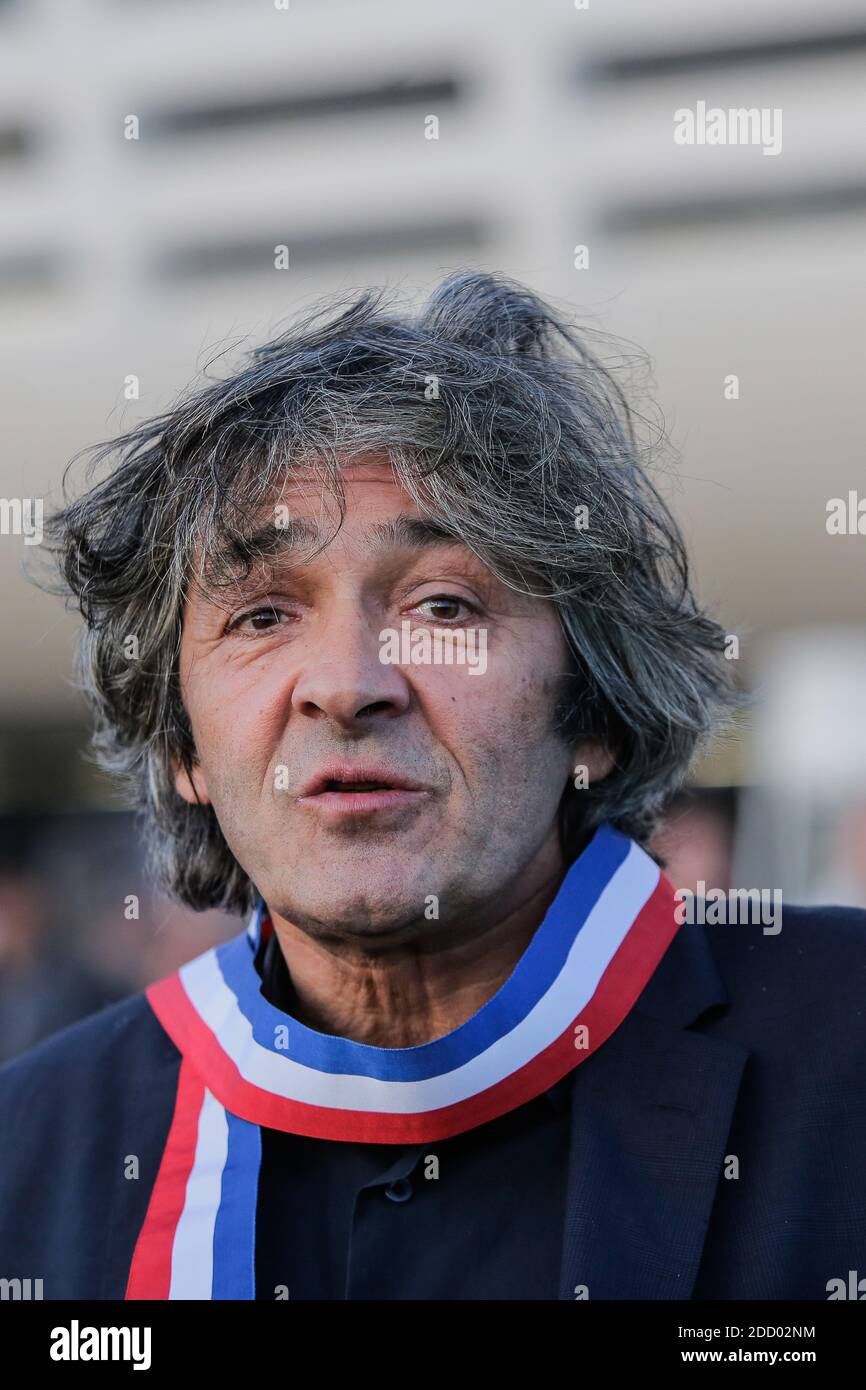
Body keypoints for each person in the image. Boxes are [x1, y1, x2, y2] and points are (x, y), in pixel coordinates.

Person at [0, 272, 863, 1301]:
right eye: (263, 615)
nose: (347, 685)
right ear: (182, 744)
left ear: (589, 707)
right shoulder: (31, 1157)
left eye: (445, 604)